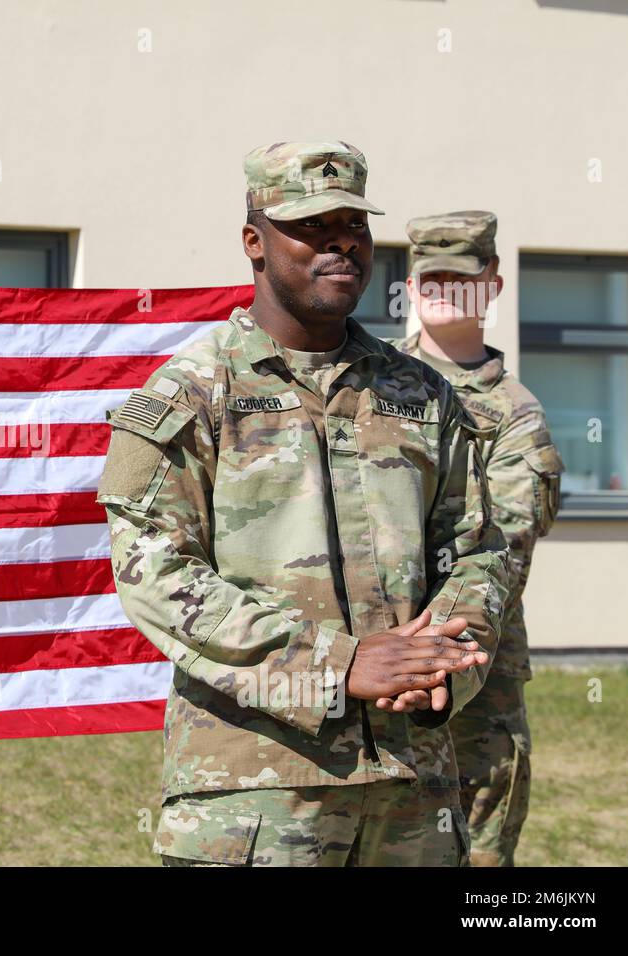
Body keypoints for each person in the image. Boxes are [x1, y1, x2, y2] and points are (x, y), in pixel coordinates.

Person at [97, 141, 510, 866]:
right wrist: (337, 665)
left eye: (353, 223)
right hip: (256, 796)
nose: (341, 241)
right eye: (312, 226)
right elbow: (158, 576)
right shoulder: (191, 393)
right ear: (254, 242)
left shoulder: (423, 394)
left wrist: (443, 664)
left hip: (413, 793)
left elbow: (477, 550)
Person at [394, 211, 563, 865]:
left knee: (477, 863)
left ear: (492, 284)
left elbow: (505, 547)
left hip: (474, 678)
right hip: (367, 663)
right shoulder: (363, 383)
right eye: (430, 277)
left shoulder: (517, 414)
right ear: (408, 288)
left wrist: (430, 659)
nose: (444, 290)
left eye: (461, 277)